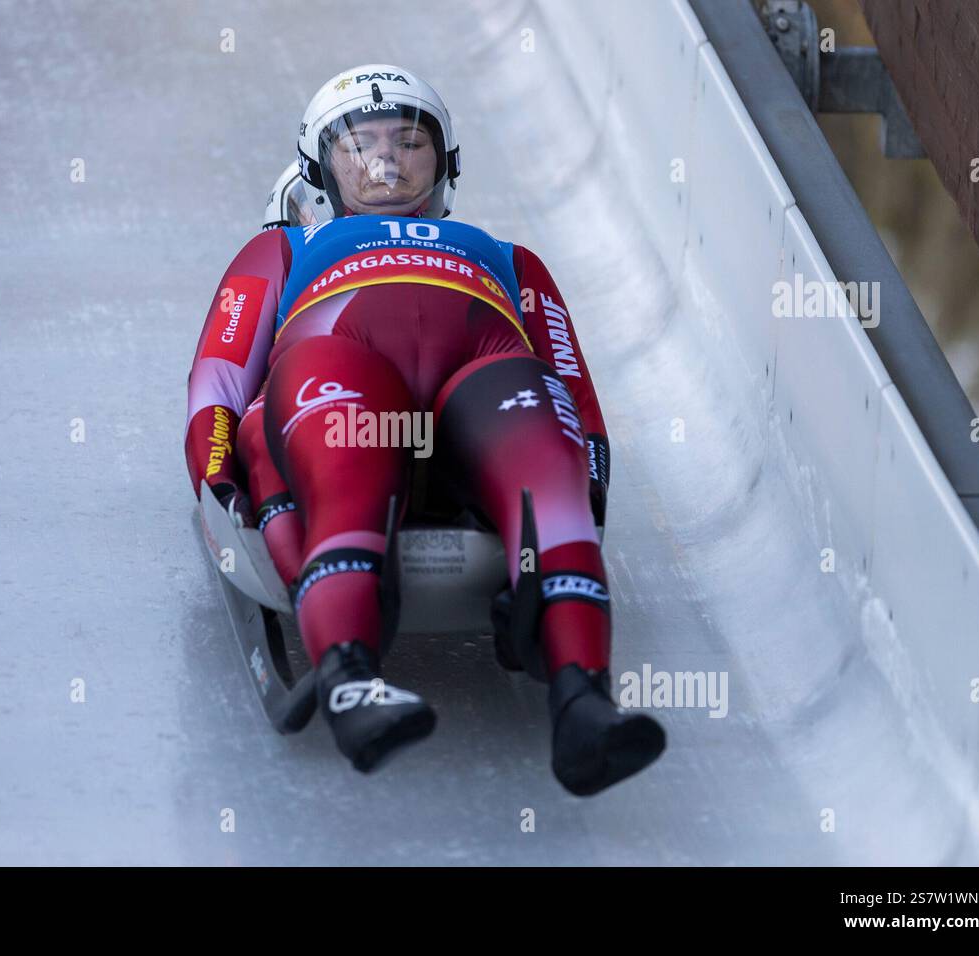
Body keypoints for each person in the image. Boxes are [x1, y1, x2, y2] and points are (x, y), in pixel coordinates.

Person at [184, 64, 665, 794]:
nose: (387, 159)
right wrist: (218, 471)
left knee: (542, 449)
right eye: (361, 143)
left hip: (482, 371)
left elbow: (567, 379)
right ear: (322, 168)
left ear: (444, 161)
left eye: (410, 140)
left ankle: (582, 699)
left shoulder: (509, 258)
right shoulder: (281, 250)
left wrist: (586, 476)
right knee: (350, 454)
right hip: (339, 362)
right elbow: (219, 376)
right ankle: (350, 679)